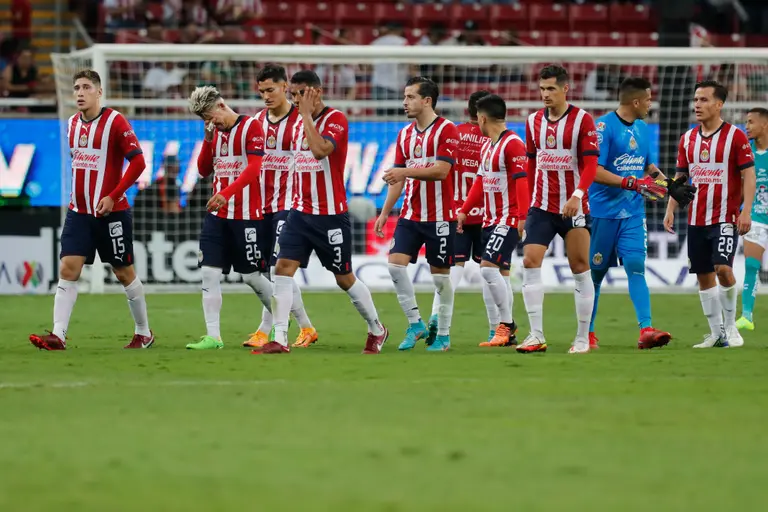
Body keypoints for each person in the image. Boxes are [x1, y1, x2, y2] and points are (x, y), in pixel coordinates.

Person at [250, 70, 388, 354]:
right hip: (299, 213)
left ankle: (377, 328)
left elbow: (320, 150)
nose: (296, 99)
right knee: (282, 270)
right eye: (294, 94)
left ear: (317, 92)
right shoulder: (298, 123)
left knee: (344, 277)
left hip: (330, 216)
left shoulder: (334, 119)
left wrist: (307, 117)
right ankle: (280, 338)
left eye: (302, 94)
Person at [29, 70, 152, 350]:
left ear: (99, 92)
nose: (80, 93)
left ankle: (144, 332)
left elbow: (138, 164)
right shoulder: (72, 124)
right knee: (68, 267)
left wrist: (112, 195)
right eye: (76, 88)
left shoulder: (116, 122)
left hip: (112, 213)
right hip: (79, 212)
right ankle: (58, 336)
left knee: (123, 273)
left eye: (86, 87)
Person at [589, 77, 691, 350]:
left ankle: (646, 329)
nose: (650, 104)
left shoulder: (644, 128)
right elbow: (594, 171)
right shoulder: (603, 128)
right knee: (595, 275)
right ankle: (587, 331)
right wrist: (630, 183)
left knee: (636, 266)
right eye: (647, 99)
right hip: (602, 213)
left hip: (633, 213)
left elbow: (647, 168)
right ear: (635, 101)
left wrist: (669, 186)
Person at [664, 80, 756, 348]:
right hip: (695, 219)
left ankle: (731, 329)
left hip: (725, 218)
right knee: (704, 276)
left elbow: (748, 174)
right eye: (695, 100)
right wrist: (671, 208)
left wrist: (745, 210)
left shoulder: (735, 137)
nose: (697, 105)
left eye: (704, 100)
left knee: (723, 269)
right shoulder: (687, 139)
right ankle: (716, 333)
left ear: (719, 104)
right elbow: (680, 178)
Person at [374, 76, 460, 352]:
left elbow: (441, 172)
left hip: (441, 218)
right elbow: (397, 179)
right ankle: (415, 323)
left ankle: (444, 335)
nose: (404, 102)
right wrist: (385, 212)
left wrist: (404, 171)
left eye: (410, 96)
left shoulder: (447, 130)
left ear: (427, 100)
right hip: (410, 216)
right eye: (404, 96)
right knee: (394, 266)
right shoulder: (405, 134)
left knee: (440, 278)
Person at [185, 86, 275, 350]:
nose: (211, 123)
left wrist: (227, 193)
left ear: (222, 105)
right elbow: (203, 170)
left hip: (246, 215)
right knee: (209, 274)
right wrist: (208, 139)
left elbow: (254, 169)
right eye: (205, 120)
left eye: (211, 117)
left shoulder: (251, 128)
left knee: (251, 276)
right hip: (217, 216)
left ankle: (282, 316)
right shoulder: (215, 133)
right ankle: (214, 336)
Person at [517, 65, 598, 354]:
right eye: (542, 89)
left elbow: (590, 165)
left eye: (551, 88)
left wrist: (577, 194)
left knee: (579, 267)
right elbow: (529, 162)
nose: (545, 94)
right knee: (529, 260)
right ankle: (536, 335)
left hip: (573, 207)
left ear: (565, 88)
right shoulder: (532, 121)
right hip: (541, 206)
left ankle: (581, 337)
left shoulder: (582, 121)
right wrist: (524, 207)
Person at [241, 64, 318, 350]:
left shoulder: (301, 120)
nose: (265, 96)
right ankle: (307, 327)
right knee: (262, 272)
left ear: (285, 87)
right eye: (261, 91)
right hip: (260, 206)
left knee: (277, 270)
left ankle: (266, 330)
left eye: (270, 89)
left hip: (290, 204)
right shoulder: (256, 122)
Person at [457, 94, 529, 347]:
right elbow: (480, 181)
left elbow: (522, 181)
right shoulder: (488, 145)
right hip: (489, 219)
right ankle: (507, 332)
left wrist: (521, 217)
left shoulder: (513, 144)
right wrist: (465, 210)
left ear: (483, 117)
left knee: (487, 268)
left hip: (507, 218)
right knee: (499, 273)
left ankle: (506, 325)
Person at [426, 90, 491, 342]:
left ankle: (437, 318)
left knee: (450, 272)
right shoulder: (495, 140)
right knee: (494, 274)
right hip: (488, 214)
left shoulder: (452, 133)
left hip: (456, 213)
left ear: (469, 111)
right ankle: (498, 328)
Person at [736, 108, 768, 330]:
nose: (746, 126)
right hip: (755, 215)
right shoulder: (747, 155)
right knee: (750, 265)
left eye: (751, 122)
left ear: (764, 125)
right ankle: (746, 315)